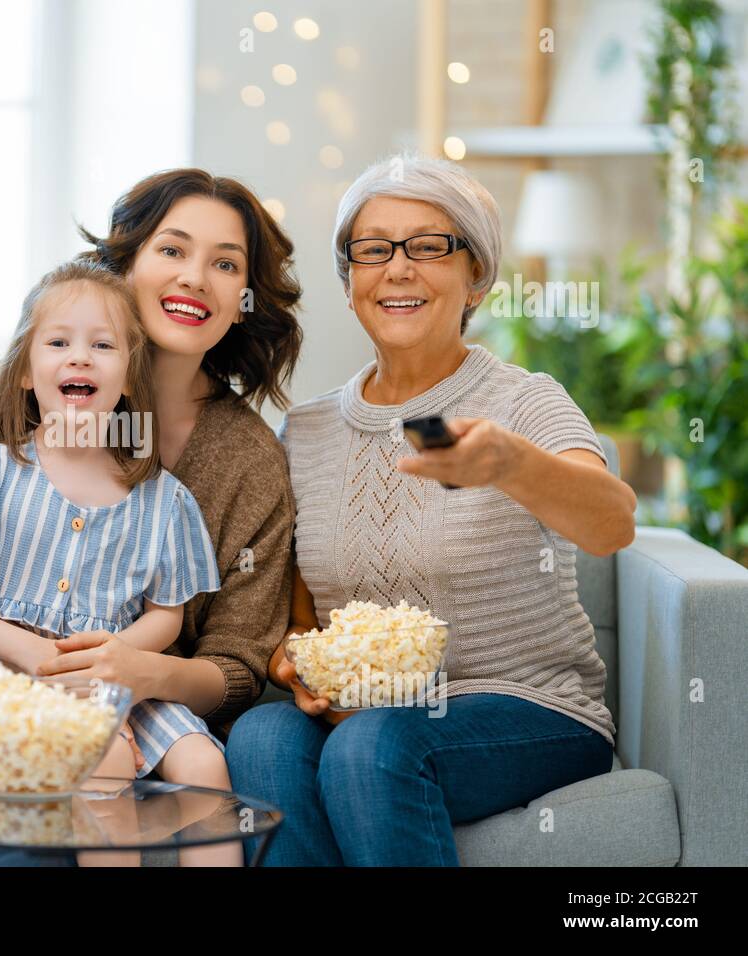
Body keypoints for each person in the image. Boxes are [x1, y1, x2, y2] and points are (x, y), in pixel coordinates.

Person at [0, 169, 303, 865]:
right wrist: (46, 676)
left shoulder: (247, 465)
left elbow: (237, 661)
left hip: (151, 697)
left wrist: (134, 676)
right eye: (173, 250)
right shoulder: (17, 401)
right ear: (125, 264)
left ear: (244, 300)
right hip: (11, 684)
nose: (196, 277)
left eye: (225, 264)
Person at [226, 153, 638, 866]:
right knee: (261, 737)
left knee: (373, 744)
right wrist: (300, 665)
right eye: (373, 249)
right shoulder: (310, 430)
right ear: (350, 279)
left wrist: (510, 464)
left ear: (475, 274)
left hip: (526, 707)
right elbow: (299, 617)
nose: (398, 268)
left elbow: (612, 524)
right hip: (368, 708)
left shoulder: (523, 402)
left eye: (429, 246)